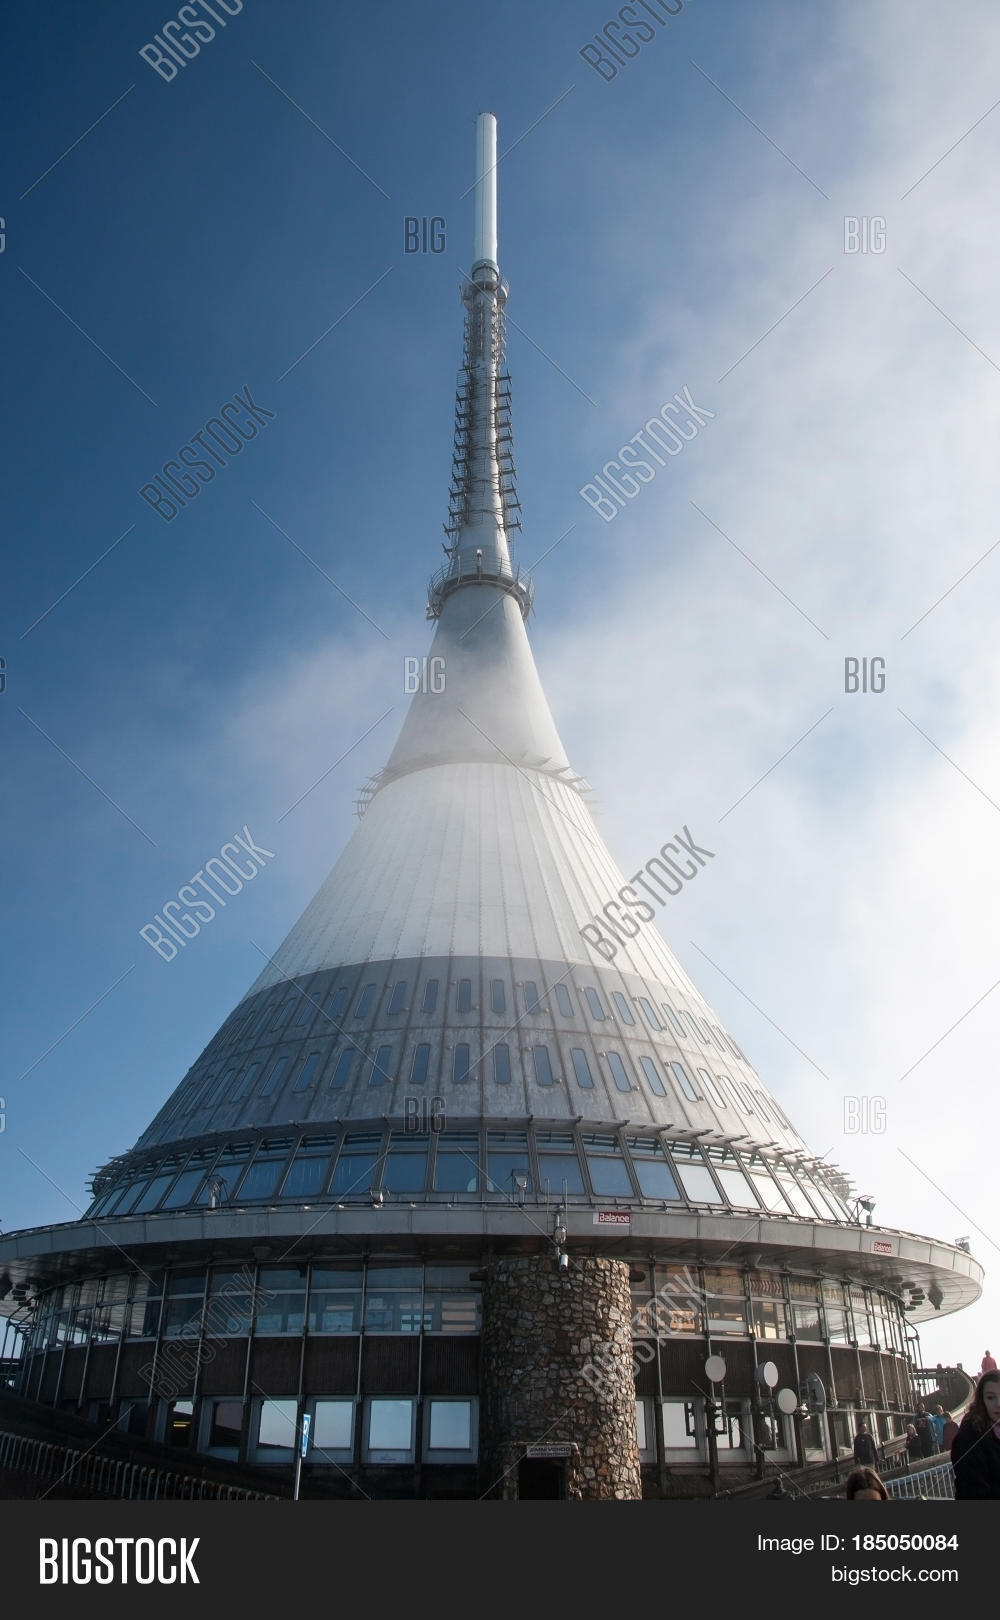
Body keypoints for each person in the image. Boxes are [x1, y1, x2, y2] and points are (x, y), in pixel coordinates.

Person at [952, 1370, 1000, 1499]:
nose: (998, 1404)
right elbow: (972, 1489)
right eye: (990, 1397)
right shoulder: (969, 1436)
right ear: (981, 1400)